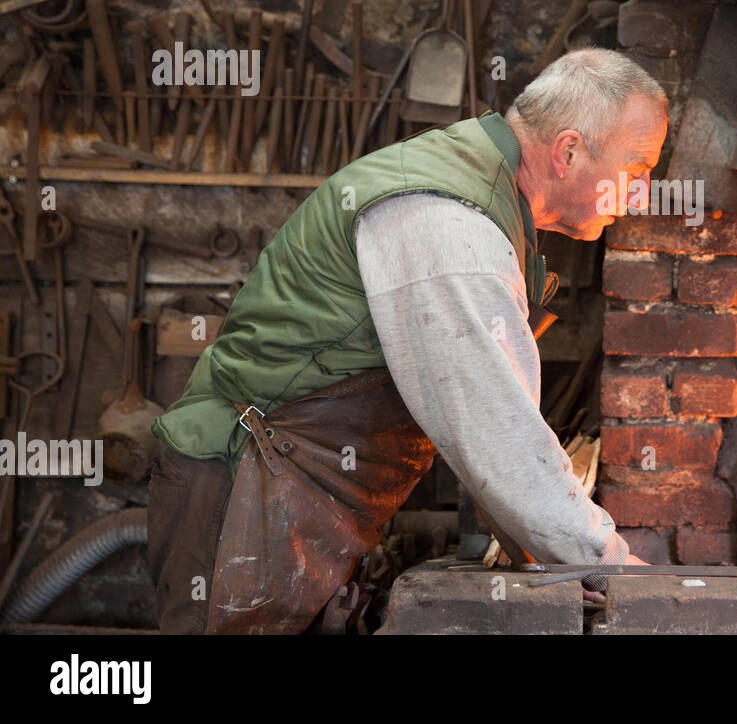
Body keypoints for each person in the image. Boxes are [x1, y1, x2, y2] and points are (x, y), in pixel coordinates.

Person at [146, 48, 668, 632]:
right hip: (243, 490)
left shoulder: (484, 205)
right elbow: (493, 429)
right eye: (639, 166)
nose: (642, 193)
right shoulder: (449, 220)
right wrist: (610, 570)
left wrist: (550, 554)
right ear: (569, 150)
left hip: (294, 497)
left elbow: (489, 425)